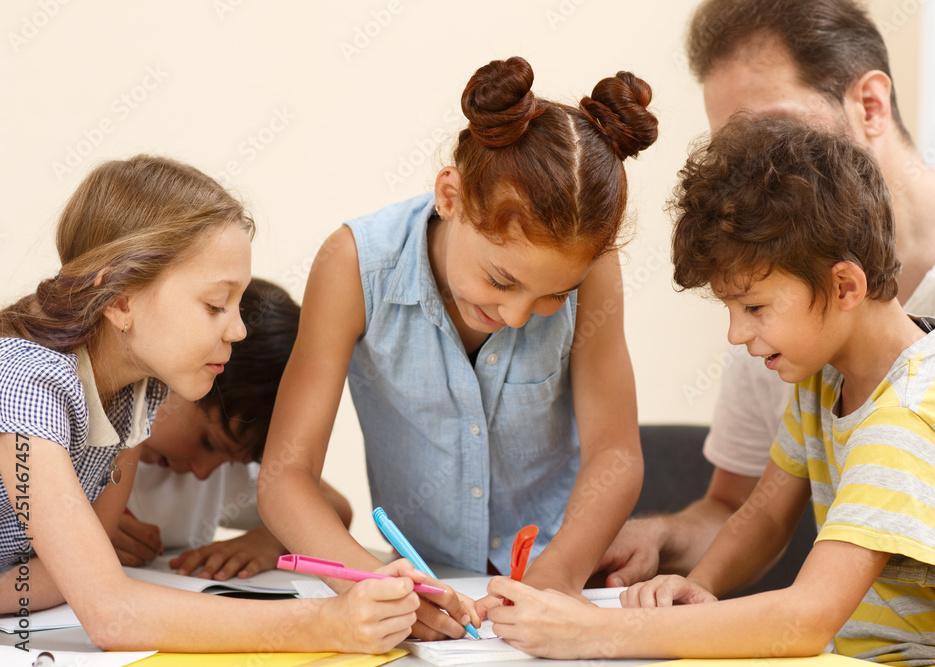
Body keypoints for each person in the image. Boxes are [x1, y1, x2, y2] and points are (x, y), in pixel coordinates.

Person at [490, 114, 935, 664]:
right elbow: (764, 516)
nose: (737, 334)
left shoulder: (910, 419)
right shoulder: (827, 377)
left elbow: (805, 619)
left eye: (754, 307)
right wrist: (700, 584)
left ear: (845, 285)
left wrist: (590, 632)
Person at [598, 0, 935, 607]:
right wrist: (665, 545)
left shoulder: (897, 381)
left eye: (773, 129)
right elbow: (742, 510)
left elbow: (806, 613)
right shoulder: (791, 327)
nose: (751, 164)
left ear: (868, 104)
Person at [258, 56, 655, 640]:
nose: (517, 315)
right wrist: (371, 585)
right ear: (451, 194)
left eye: (552, 295)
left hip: (565, 576)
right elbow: (284, 477)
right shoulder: (353, 266)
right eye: (501, 279)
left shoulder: (592, 269)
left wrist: (561, 573)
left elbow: (614, 453)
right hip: (424, 581)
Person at [0, 155, 432, 654]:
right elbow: (111, 613)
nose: (238, 329)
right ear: (119, 300)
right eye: (214, 305)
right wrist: (328, 623)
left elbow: (62, 580)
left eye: (239, 304)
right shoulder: (25, 382)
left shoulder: (137, 397)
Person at [113, 278, 354, 581]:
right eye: (209, 443)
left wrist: (272, 540)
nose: (203, 473)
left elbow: (337, 508)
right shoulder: (77, 431)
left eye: (229, 460)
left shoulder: (222, 469)